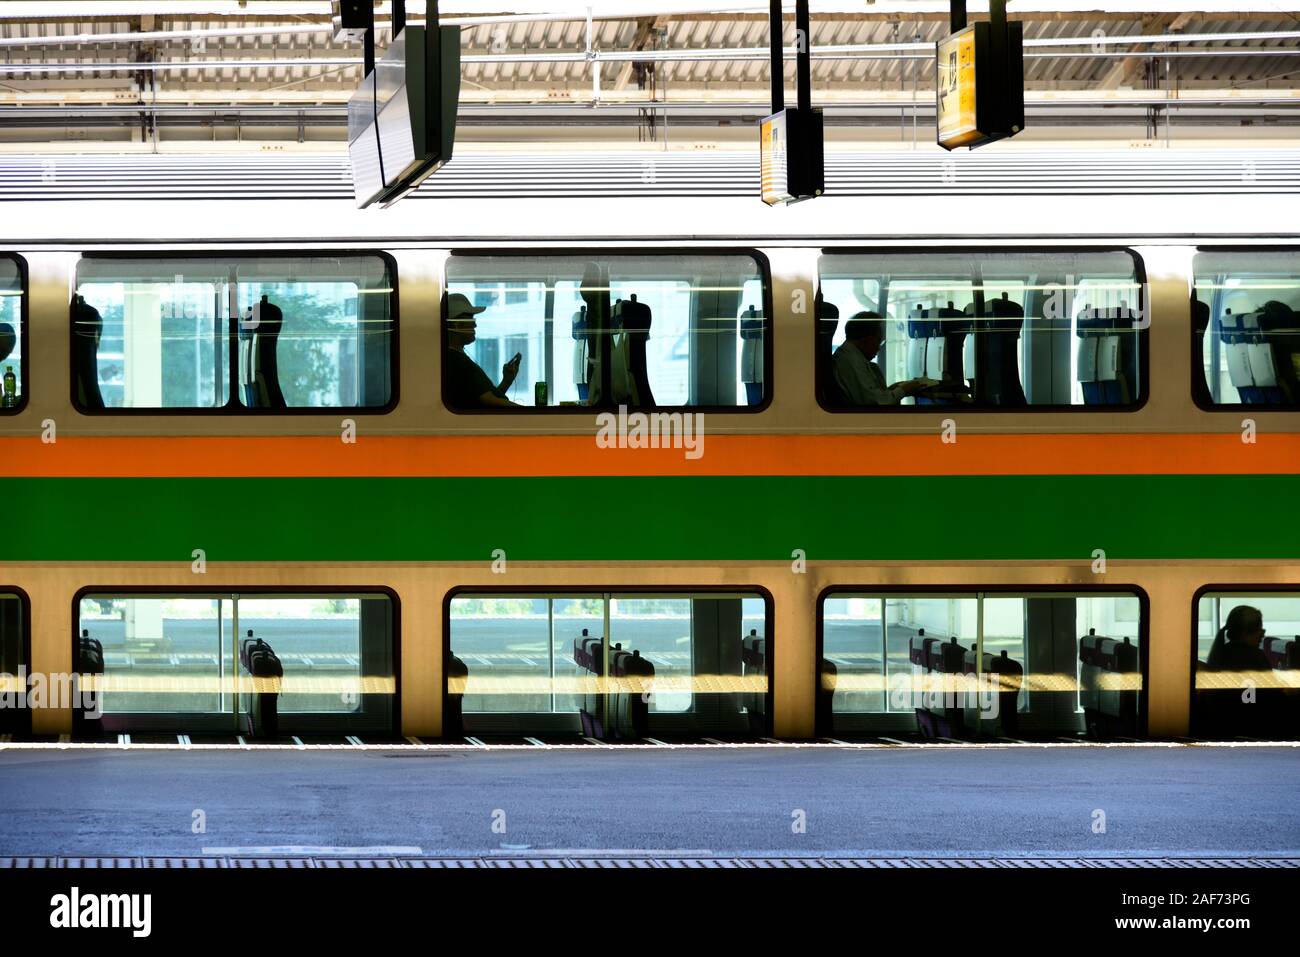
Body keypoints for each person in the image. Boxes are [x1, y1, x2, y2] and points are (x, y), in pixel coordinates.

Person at [1204, 604, 1275, 738]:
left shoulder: (1221, 653)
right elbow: (1259, 702)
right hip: (1249, 730)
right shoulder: (1254, 658)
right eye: (1260, 630)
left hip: (1223, 727)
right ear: (1246, 632)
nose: (1262, 635)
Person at [831, 312, 930, 406]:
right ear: (867, 340)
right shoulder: (851, 362)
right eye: (878, 341)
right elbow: (876, 402)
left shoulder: (851, 357)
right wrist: (903, 390)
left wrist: (893, 389)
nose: (878, 348)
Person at [444, 292, 522, 408]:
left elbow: (486, 399)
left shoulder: (456, 357)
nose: (475, 325)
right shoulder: (456, 361)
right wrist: (531, 414)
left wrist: (507, 381)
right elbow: (489, 401)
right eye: (470, 319)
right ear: (456, 324)